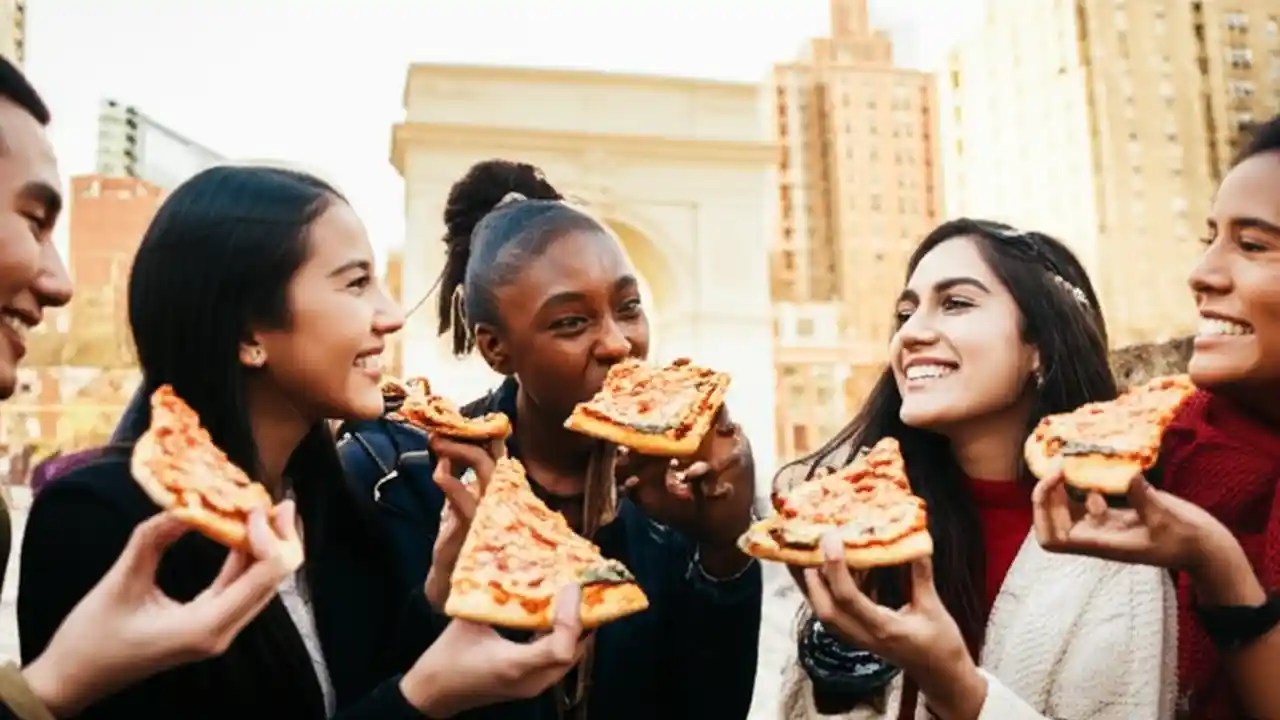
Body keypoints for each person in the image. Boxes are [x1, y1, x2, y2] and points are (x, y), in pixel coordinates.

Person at [17, 164, 600, 718]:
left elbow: (374, 686)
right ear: (249, 330)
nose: (391, 316)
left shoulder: (340, 507)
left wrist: (441, 599)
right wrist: (421, 699)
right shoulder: (103, 525)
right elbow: (404, 700)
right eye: (356, 284)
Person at [338, 158, 762, 719]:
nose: (618, 344)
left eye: (629, 308)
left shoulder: (674, 493)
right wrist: (446, 601)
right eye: (571, 322)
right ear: (496, 349)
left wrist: (724, 551)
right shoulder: (394, 477)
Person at [0, 55, 309, 720]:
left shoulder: (352, 509)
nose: (60, 281)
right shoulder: (94, 516)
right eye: (33, 219)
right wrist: (60, 684)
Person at [777, 220, 1176, 719]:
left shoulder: (1115, 550)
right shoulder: (868, 524)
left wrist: (958, 689)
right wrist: (840, 640)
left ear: (1042, 347)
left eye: (956, 303)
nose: (912, 333)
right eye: (905, 312)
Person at [1033, 115, 1280, 719]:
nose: (1202, 274)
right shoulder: (1145, 451)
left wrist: (1215, 563)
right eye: (1210, 238)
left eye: (1253, 245)